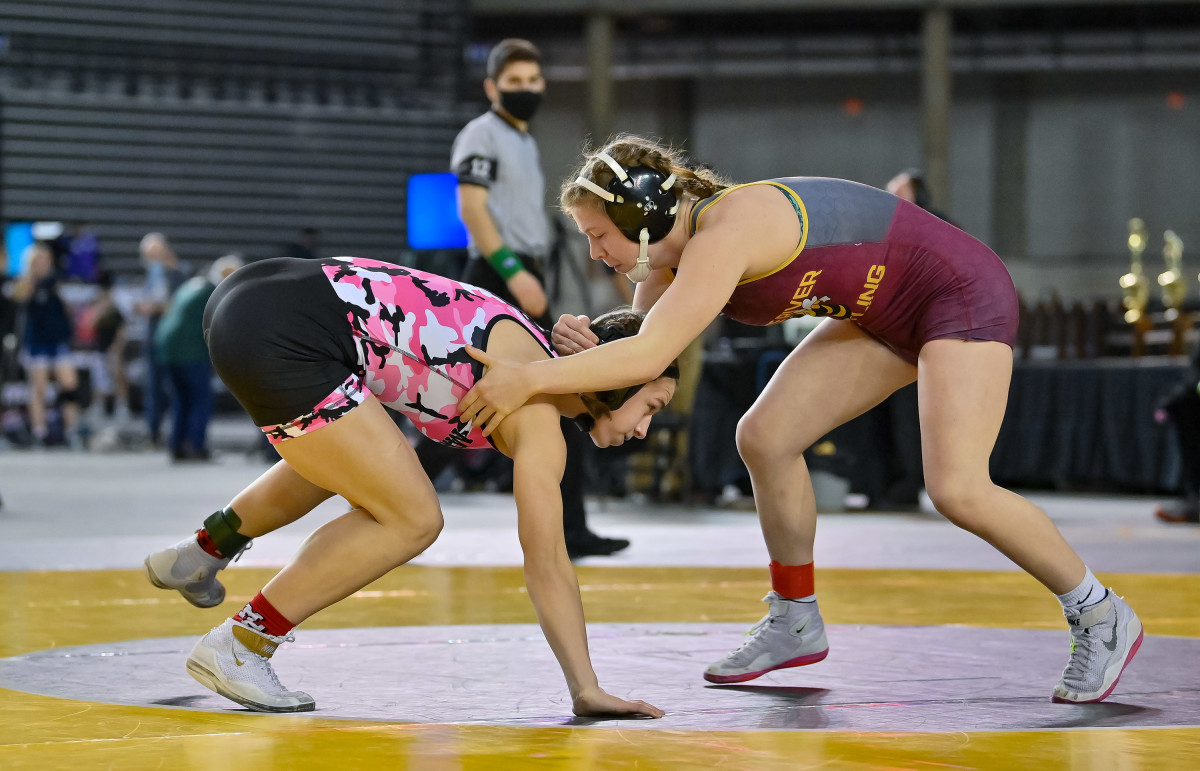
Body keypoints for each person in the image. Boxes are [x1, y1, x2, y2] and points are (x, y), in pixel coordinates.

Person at [458, 134, 1144, 704]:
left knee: (959, 486)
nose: (593, 252)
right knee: (764, 436)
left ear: (641, 221)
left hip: (956, 290)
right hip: (882, 312)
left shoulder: (726, 233)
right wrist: (580, 345)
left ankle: (1100, 611)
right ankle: (795, 617)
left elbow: (650, 348)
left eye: (598, 234)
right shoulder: (666, 268)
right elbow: (640, 358)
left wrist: (530, 378)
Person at [142, 255, 673, 718]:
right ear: (613, 379)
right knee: (414, 518)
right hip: (289, 329)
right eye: (649, 406)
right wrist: (586, 688)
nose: (645, 428)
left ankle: (202, 552)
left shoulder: (534, 356)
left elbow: (325, 460)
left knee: (351, 459)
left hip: (257, 297)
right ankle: (243, 643)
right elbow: (548, 563)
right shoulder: (536, 417)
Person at [425, 36, 627, 558]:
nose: (527, 90)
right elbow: (473, 210)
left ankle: (572, 526)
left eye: (534, 82)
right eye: (515, 82)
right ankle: (394, 491)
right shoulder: (481, 134)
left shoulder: (524, 141)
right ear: (492, 86)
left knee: (546, 393)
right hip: (495, 271)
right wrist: (514, 272)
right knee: (474, 400)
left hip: (523, 270)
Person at [154, 254, 244, 461]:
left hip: (167, 350)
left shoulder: (192, 285)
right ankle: (197, 446)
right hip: (190, 352)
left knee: (181, 400)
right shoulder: (214, 292)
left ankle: (176, 446)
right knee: (201, 400)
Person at [13, 242, 82, 447]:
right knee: (39, 388)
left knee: (69, 385)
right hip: (37, 341)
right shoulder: (26, 283)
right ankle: (39, 431)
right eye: (39, 260)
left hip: (57, 340)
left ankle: (72, 431)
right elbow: (19, 298)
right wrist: (31, 282)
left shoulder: (57, 282)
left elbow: (68, 308)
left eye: (46, 260)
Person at [134, 233, 189, 447]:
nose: (152, 259)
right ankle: (153, 431)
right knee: (153, 387)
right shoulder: (150, 277)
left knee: (174, 387)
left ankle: (177, 434)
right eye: (148, 255)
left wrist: (157, 307)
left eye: (156, 253)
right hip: (152, 338)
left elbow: (178, 305)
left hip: (172, 341)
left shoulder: (178, 275)